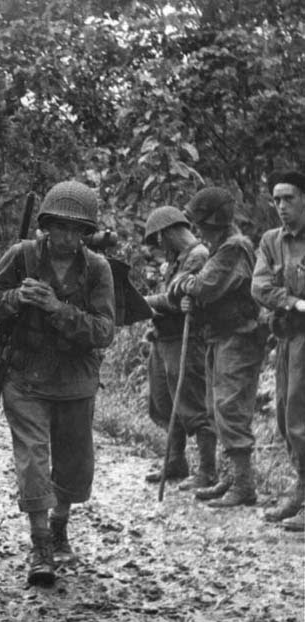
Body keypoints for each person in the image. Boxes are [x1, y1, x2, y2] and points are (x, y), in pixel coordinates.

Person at [0, 181, 115, 587]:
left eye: (77, 230)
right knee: (33, 459)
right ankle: (40, 546)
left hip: (75, 379)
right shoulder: (21, 256)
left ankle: (59, 525)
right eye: (60, 227)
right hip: (25, 377)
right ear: (46, 226)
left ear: (86, 233)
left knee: (74, 464)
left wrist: (57, 308)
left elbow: (104, 331)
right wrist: (16, 299)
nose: (67, 238)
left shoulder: (98, 269)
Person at [168, 187, 265, 508]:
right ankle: (229, 476)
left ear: (215, 222)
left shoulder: (233, 249)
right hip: (219, 336)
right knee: (215, 408)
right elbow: (200, 289)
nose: (198, 231)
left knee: (230, 408)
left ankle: (244, 483)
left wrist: (186, 286)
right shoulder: (218, 249)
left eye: (201, 224)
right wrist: (189, 294)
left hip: (239, 337)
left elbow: (205, 286)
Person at [142, 206, 216, 490]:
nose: (160, 246)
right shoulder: (177, 259)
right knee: (162, 403)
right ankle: (175, 460)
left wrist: (144, 302)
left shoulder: (198, 256)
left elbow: (176, 300)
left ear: (169, 232)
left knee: (192, 404)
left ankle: (208, 469)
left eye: (159, 238)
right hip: (163, 338)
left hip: (186, 339)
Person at [251, 170, 305, 531]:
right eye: (276, 200)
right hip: (288, 336)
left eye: (289, 198)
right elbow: (260, 286)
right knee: (287, 417)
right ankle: (301, 488)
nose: (282, 206)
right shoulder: (272, 241)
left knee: (301, 417)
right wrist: (294, 302)